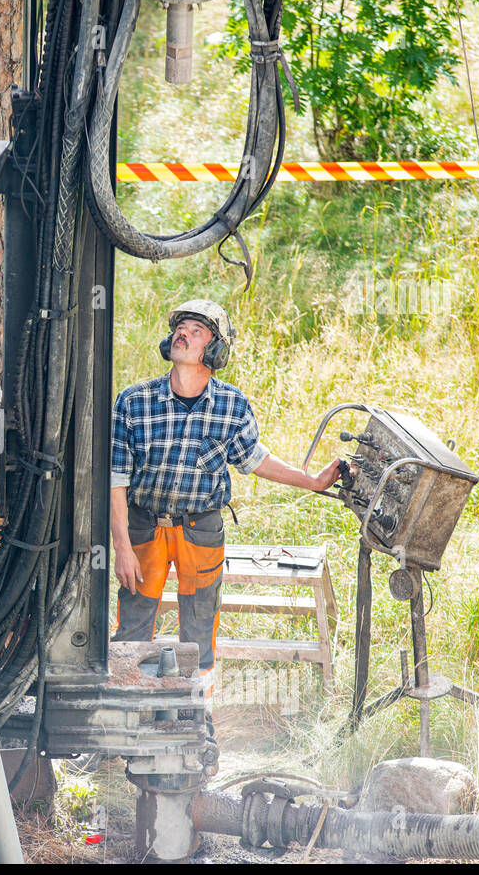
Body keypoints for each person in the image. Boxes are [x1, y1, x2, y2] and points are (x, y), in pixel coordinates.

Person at [110, 299, 344, 712]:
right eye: (180, 327)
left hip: (201, 529)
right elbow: (116, 481)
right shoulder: (134, 402)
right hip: (143, 526)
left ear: (215, 350)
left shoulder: (231, 405)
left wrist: (312, 481)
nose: (183, 333)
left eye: (196, 330)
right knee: (131, 628)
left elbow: (256, 460)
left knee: (199, 628)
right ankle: (124, 721)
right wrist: (122, 549)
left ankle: (195, 722)